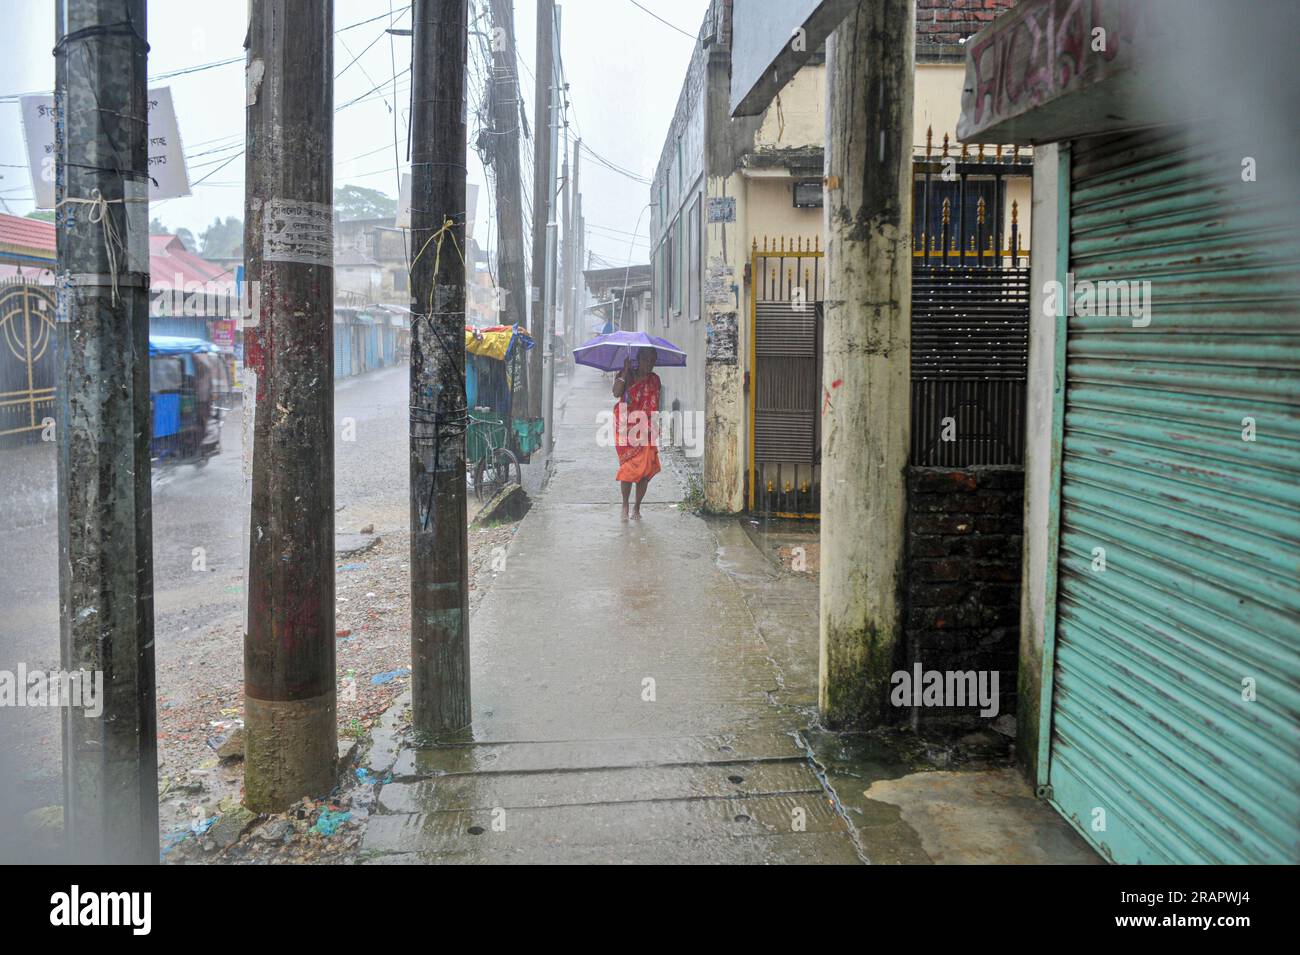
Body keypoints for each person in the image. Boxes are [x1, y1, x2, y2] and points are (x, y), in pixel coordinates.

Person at [611, 346, 661, 520]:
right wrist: (624, 371)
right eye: (646, 360)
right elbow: (616, 392)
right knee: (627, 468)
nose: (649, 364)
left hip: (646, 428)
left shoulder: (655, 380)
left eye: (653, 361)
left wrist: (655, 428)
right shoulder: (627, 375)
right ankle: (625, 504)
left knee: (645, 471)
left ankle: (637, 507)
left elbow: (656, 404)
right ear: (638, 359)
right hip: (626, 427)